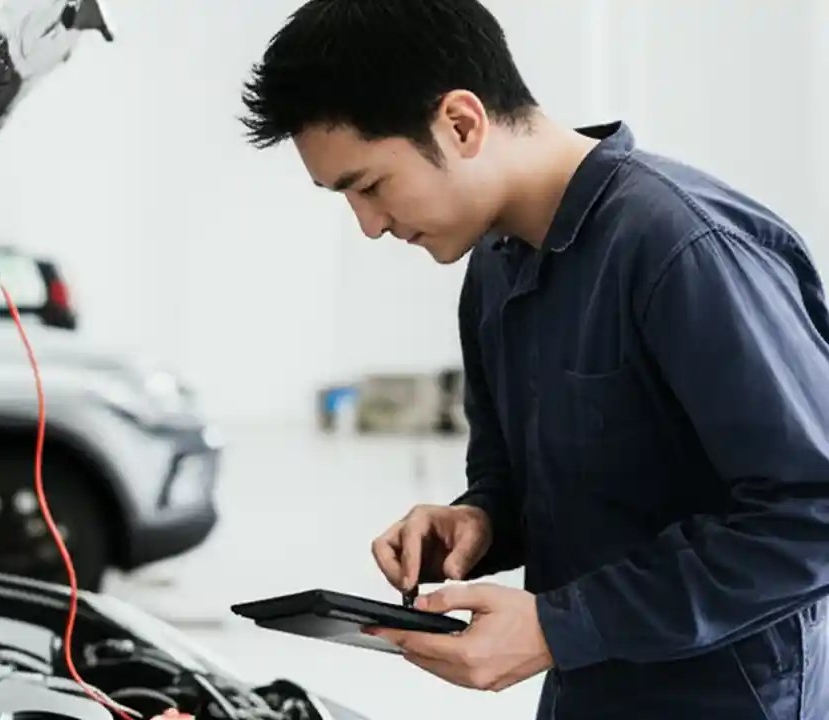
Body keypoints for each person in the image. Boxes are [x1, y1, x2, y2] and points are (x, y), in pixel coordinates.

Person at [240, 1, 829, 718]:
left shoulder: (684, 249)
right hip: (588, 692)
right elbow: (525, 479)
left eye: (368, 186)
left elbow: (812, 513)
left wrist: (559, 625)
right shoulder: (492, 267)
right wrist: (481, 521)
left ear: (461, 123)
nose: (369, 227)